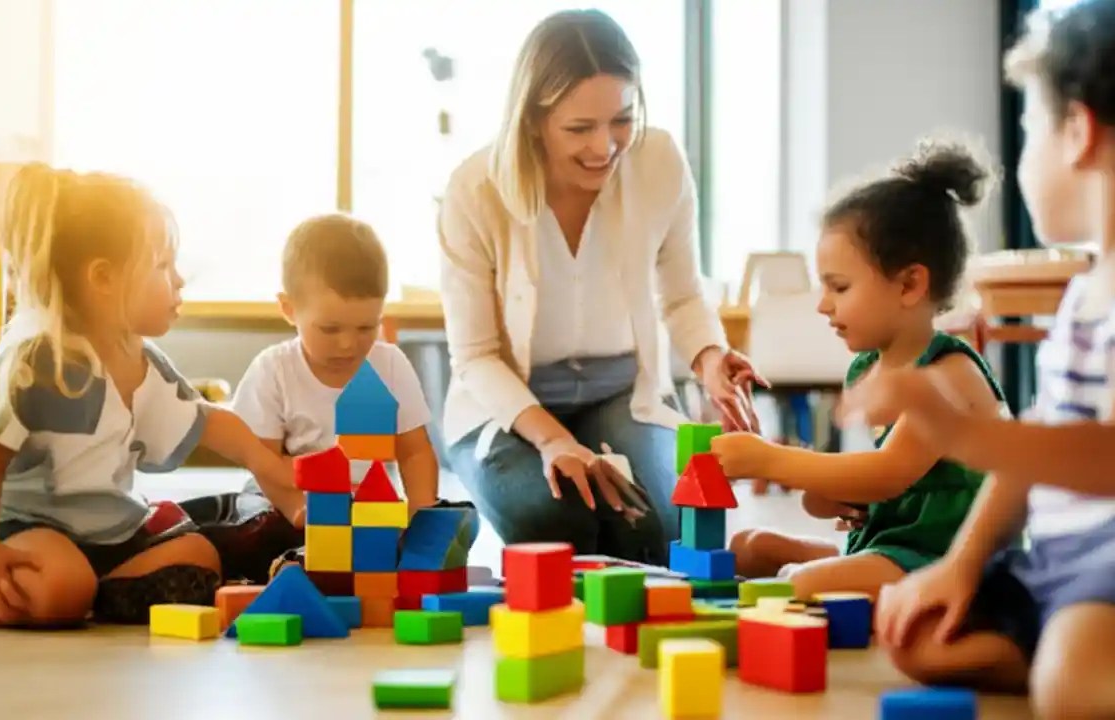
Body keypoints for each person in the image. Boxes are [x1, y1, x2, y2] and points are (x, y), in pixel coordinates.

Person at [842, 1, 1115, 717]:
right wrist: (959, 565)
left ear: (1079, 134)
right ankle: (1090, 651)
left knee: (1069, 692)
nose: (1024, 156)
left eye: (1029, 130)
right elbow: (1036, 449)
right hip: (1063, 554)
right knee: (915, 634)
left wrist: (960, 432)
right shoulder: (1088, 290)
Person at [437, 9, 762, 563]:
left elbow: (682, 295)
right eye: (579, 128)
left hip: (620, 394)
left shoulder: (659, 162)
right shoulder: (475, 189)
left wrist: (710, 359)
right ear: (533, 121)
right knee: (556, 523)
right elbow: (475, 357)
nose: (605, 147)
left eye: (622, 120)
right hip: (509, 406)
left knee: (655, 527)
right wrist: (554, 440)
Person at [0, 164, 298, 626]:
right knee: (60, 588)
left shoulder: (145, 365)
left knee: (199, 554)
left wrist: (285, 486)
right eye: (161, 266)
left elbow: (215, 423)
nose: (178, 280)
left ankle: (98, 594)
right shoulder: (36, 361)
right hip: (22, 526)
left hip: (105, 531)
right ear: (103, 278)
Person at [710, 140, 1005, 601]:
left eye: (839, 287)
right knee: (748, 547)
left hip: (951, 561)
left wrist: (769, 460)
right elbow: (856, 495)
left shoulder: (949, 374)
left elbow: (887, 474)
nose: (823, 305)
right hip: (889, 548)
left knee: (801, 584)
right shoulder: (868, 370)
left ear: (909, 284)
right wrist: (825, 492)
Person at [232, 213, 440, 515]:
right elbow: (262, 462)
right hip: (283, 497)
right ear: (289, 309)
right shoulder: (273, 370)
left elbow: (414, 452)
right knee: (254, 521)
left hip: (366, 500)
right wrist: (294, 508)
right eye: (330, 329)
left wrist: (421, 514)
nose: (348, 344)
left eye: (367, 328)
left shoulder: (390, 364)